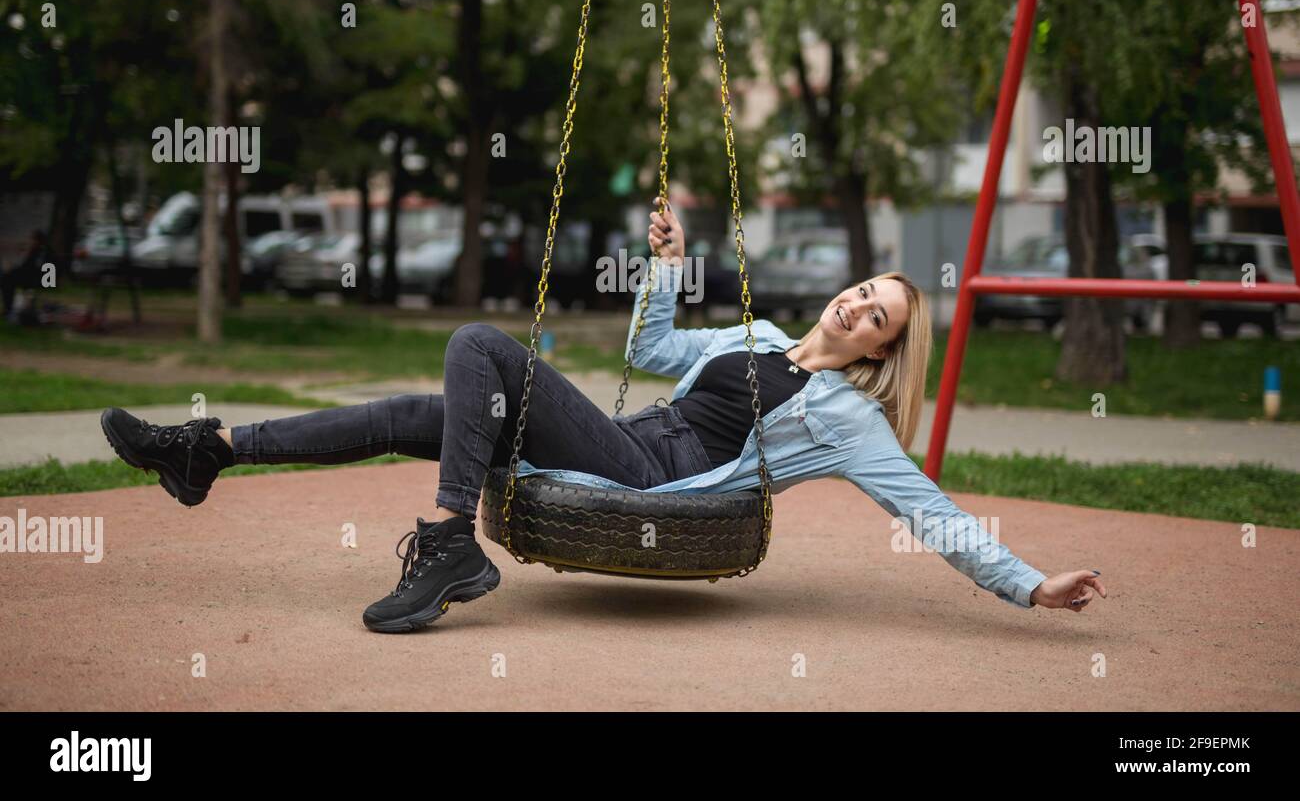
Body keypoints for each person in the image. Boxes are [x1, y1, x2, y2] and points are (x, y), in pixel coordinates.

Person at [100, 197, 1106, 632]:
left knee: (479, 347)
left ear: (884, 346)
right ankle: (209, 446)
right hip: (632, 434)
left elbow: (927, 507)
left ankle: (449, 540)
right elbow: (650, 354)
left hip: (648, 474)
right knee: (426, 404)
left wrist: (1027, 584)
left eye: (875, 314)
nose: (854, 305)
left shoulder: (846, 419)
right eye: (860, 290)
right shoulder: (750, 336)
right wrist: (667, 268)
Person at [1, 229, 55, 319]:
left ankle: (8, 309)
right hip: (33, 278)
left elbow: (31, 268)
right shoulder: (40, 250)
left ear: (37, 240)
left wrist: (12, 270)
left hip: (35, 280)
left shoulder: (40, 251)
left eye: (33, 239)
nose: (31, 242)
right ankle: (8, 308)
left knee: (7, 279)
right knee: (7, 277)